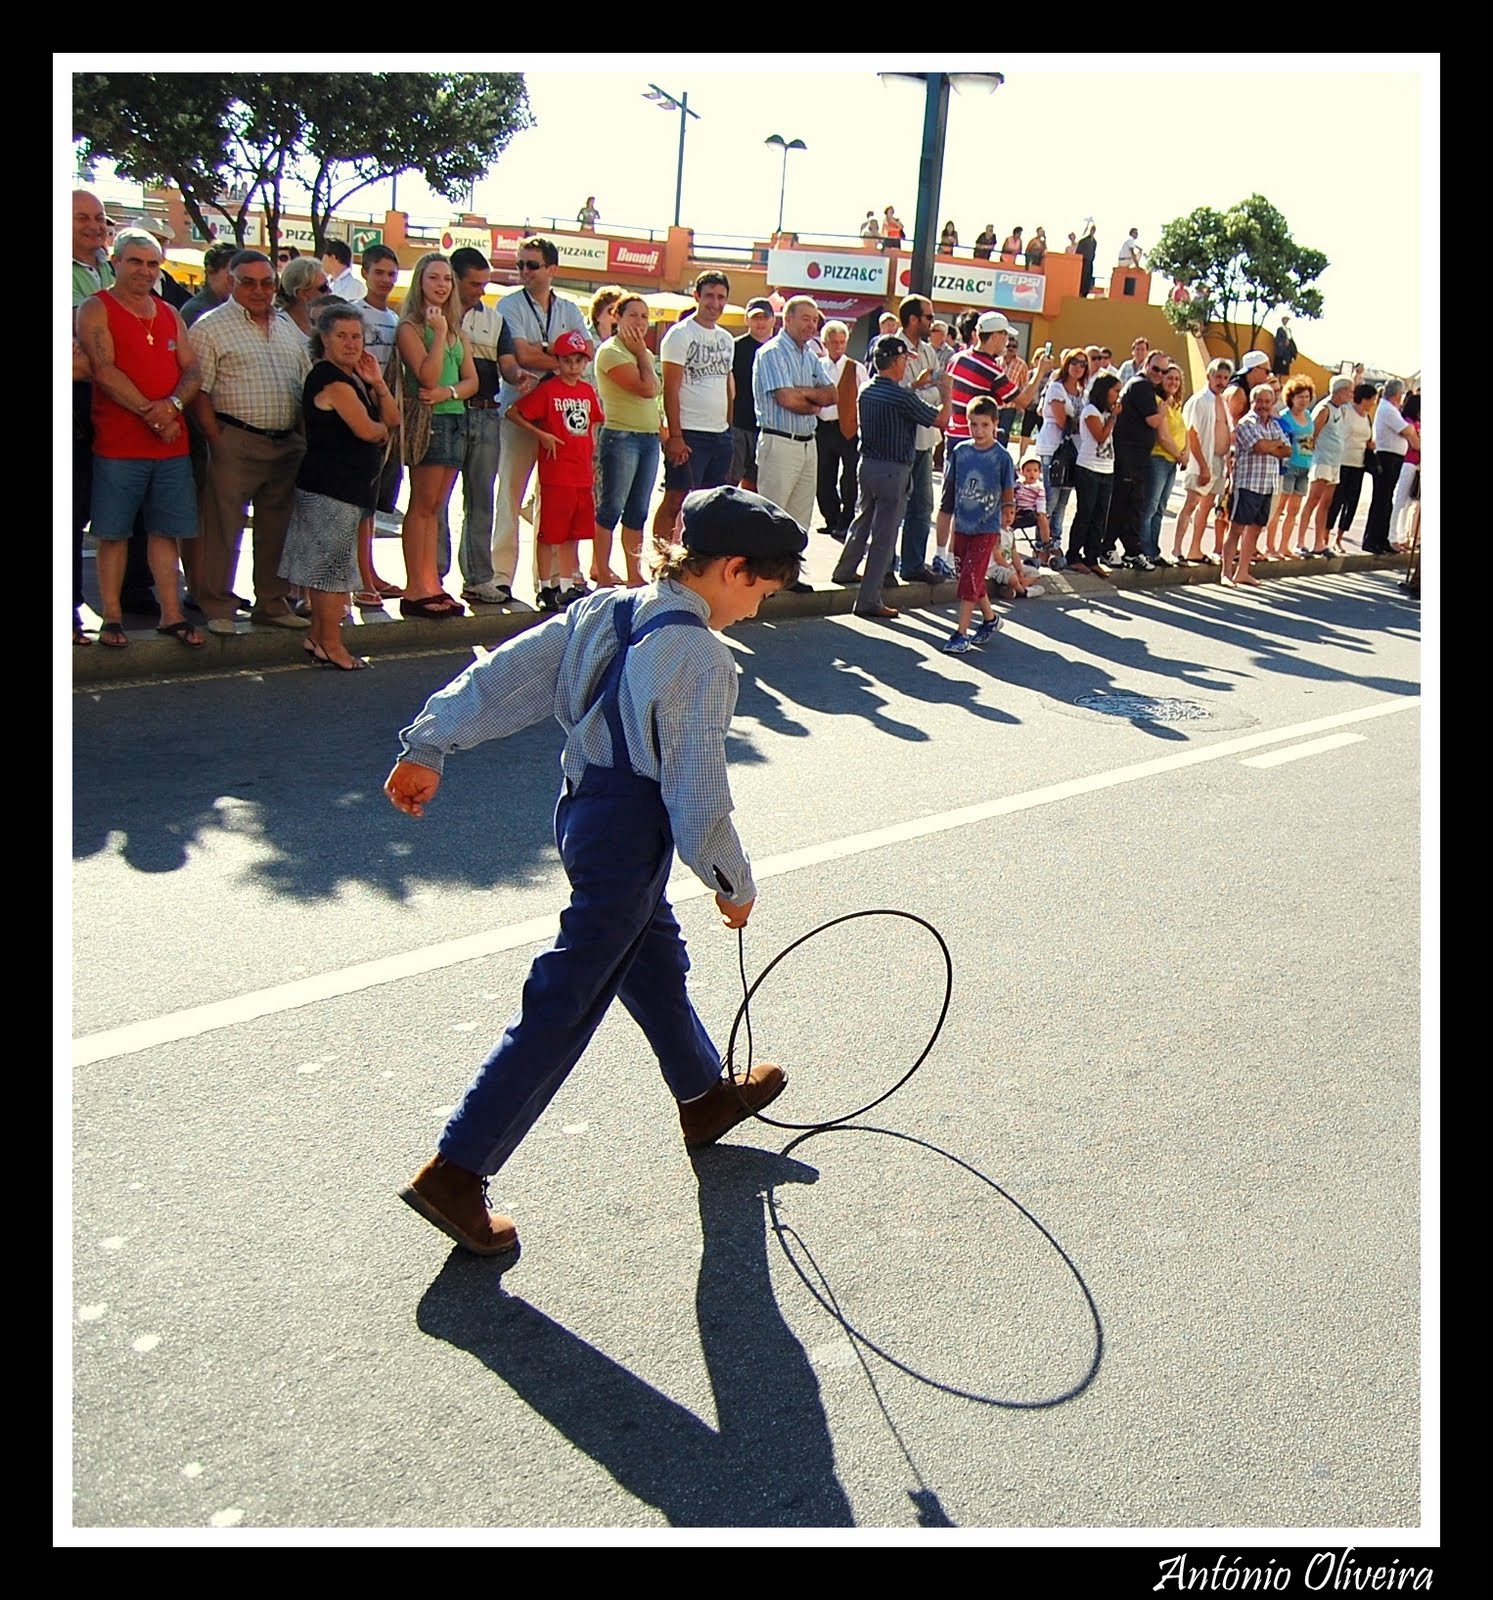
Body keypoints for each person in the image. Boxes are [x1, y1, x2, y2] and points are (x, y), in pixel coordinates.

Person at [387, 486, 804, 1260]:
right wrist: (731, 882)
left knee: (649, 956)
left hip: (582, 812)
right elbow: (695, 786)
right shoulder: (701, 657)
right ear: (734, 569)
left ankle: (702, 1095)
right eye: (763, 591)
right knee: (567, 996)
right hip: (632, 825)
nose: (758, 609)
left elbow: (503, 677)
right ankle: (458, 1168)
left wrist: (428, 744)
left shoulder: (605, 608)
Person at [75, 227, 204, 650]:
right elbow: (103, 369)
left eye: (152, 263)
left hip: (171, 443)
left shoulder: (169, 312)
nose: (144, 271)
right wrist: (155, 414)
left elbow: (192, 370)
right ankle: (112, 617)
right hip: (119, 443)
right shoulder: (97, 308)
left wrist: (173, 408)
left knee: (166, 532)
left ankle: (172, 614)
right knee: (113, 534)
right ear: (115, 262)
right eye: (135, 261)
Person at [187, 249, 313, 633]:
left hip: (284, 443)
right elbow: (198, 391)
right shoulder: (210, 327)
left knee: (277, 529)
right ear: (231, 282)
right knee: (222, 528)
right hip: (234, 440)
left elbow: (306, 381)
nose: (259, 290)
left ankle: (272, 603)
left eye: (267, 282)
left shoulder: (289, 327)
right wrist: (216, 439)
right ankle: (217, 607)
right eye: (249, 282)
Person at [278, 302, 400, 669]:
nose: (351, 344)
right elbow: (370, 429)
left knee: (327, 569)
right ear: (324, 339)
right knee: (331, 573)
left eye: (357, 337)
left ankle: (319, 638)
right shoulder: (330, 379)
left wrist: (377, 383)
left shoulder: (355, 378)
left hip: (345, 488)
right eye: (342, 336)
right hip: (330, 487)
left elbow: (393, 417)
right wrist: (379, 431)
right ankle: (332, 644)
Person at [492, 237, 592, 606]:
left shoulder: (568, 307)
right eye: (520, 265)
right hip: (522, 410)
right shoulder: (509, 304)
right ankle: (501, 576)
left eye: (532, 265)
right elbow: (521, 353)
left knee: (551, 501)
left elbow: (587, 353)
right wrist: (561, 353)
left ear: (552, 269)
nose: (524, 272)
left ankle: (547, 581)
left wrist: (545, 353)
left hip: (562, 419)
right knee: (510, 495)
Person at [830, 334, 951, 618]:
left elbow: (900, 398)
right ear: (896, 361)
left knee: (862, 521)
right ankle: (869, 599)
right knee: (884, 535)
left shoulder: (869, 389)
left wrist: (914, 386)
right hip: (893, 468)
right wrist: (946, 393)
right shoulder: (901, 395)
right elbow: (940, 420)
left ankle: (844, 571)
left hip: (868, 463)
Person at [437, 247, 524, 606]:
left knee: (481, 500)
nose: (481, 291)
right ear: (454, 279)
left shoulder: (495, 319)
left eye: (485, 284)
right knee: (436, 501)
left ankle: (477, 579)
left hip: (487, 412)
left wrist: (519, 375)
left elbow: (507, 366)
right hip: (447, 412)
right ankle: (433, 576)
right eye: (474, 284)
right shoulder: (436, 316)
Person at [395, 251, 477, 618]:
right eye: (434, 278)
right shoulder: (411, 328)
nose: (442, 285)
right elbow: (427, 376)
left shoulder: (458, 329)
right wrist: (439, 333)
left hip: (455, 417)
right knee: (422, 505)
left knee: (437, 507)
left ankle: (432, 583)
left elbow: (471, 380)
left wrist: (450, 392)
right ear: (420, 283)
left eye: (447, 279)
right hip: (427, 422)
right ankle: (416, 587)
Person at [507, 328, 602, 612]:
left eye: (578, 361)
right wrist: (542, 435)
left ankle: (567, 583)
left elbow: (593, 424)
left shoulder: (587, 391)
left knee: (574, 534)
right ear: (557, 362)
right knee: (551, 533)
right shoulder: (548, 390)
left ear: (585, 362)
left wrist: (592, 458)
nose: (573, 367)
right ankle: (545, 585)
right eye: (567, 361)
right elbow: (514, 412)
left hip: (581, 474)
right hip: (556, 473)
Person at [655, 270, 737, 550]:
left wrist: (727, 427)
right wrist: (675, 435)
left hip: (720, 434)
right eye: (710, 296)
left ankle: (699, 556)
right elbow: (670, 388)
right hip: (689, 432)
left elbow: (728, 386)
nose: (715, 303)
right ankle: (661, 556)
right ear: (697, 297)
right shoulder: (679, 335)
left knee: (711, 502)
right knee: (676, 498)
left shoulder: (726, 339)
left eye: (721, 297)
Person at [752, 294, 837, 563]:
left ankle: (790, 574)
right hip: (780, 442)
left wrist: (803, 394)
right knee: (772, 514)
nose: (811, 325)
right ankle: (766, 575)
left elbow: (832, 395)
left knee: (800, 517)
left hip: (807, 442)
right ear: (787, 319)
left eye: (814, 320)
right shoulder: (771, 352)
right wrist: (812, 399)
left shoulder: (809, 355)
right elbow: (786, 400)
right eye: (805, 319)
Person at [351, 244, 407, 610]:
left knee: (371, 505)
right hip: (358, 409)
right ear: (365, 273)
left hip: (386, 411)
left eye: (391, 274)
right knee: (355, 504)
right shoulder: (353, 315)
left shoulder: (396, 319)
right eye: (379, 273)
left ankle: (368, 572)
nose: (385, 280)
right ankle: (358, 578)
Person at [593, 293, 661, 588]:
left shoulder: (643, 353)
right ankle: (603, 572)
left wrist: (643, 354)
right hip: (621, 437)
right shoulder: (611, 352)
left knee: (638, 511)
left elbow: (656, 391)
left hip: (649, 438)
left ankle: (634, 574)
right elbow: (647, 387)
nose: (640, 322)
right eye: (633, 315)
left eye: (645, 316)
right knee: (611, 507)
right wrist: (642, 353)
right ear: (616, 317)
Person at [938, 396, 1012, 654]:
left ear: (995, 424)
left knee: (970, 577)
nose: (978, 431)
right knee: (968, 575)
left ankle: (961, 632)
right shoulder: (961, 452)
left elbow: (1008, 489)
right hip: (963, 525)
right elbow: (949, 490)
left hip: (986, 527)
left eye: (984, 424)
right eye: (973, 425)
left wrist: (1007, 513)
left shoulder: (1001, 457)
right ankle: (991, 619)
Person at [1103, 349, 1169, 570]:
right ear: (1145, 365)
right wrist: (1162, 412)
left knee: (1134, 504)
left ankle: (1131, 550)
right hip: (1128, 456)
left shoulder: (1146, 386)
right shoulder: (1140, 385)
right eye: (1156, 369)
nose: (1159, 374)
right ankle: (1108, 547)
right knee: (1122, 503)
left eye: (1163, 371)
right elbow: (1152, 421)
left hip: (1137, 457)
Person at [1222, 381, 1290, 587]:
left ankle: (1243, 572)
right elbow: (1260, 447)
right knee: (1236, 529)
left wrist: (1270, 446)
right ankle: (1226, 573)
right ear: (1252, 402)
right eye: (1259, 400)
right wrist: (1272, 445)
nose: (1263, 405)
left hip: (1268, 485)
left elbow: (1287, 450)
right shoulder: (1246, 423)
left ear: (1273, 403)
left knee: (1255, 530)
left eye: (1267, 401)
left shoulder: (1275, 424)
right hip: (1248, 484)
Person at [1176, 358, 1234, 564]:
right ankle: (1177, 550)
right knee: (1191, 503)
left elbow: (1227, 431)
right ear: (1209, 376)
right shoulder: (1199, 400)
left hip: (1218, 462)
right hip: (1200, 463)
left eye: (1225, 378)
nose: (1221, 381)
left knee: (1207, 506)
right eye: (1218, 376)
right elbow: (1193, 434)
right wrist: (1202, 466)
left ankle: (1195, 549)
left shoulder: (1222, 402)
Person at [1065, 371, 1120, 576]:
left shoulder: (1107, 412)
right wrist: (1113, 418)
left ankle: (1092, 557)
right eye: (1115, 391)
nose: (1117, 396)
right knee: (1085, 513)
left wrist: (1112, 416)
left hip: (1107, 468)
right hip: (1088, 467)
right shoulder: (1091, 411)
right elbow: (1100, 436)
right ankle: (1073, 555)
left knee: (1100, 517)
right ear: (1105, 391)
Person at [815, 319, 864, 542]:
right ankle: (831, 518)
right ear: (825, 343)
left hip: (848, 428)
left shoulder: (856, 367)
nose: (838, 346)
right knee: (823, 477)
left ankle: (846, 519)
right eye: (834, 342)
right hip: (822, 428)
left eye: (842, 342)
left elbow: (863, 398)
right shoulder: (817, 365)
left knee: (849, 478)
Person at [1036, 348, 1089, 554]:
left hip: (1074, 449)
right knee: (1051, 498)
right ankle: (1042, 543)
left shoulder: (1082, 393)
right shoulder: (1056, 388)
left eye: (1083, 364)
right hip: (1053, 447)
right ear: (1067, 364)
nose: (1078, 367)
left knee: (1063, 500)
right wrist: (1085, 422)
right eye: (1075, 362)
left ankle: (1055, 542)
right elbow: (1062, 420)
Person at [1300, 374, 1355, 557]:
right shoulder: (1324, 409)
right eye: (1349, 391)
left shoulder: (1342, 410)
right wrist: (1309, 460)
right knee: (1312, 500)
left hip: (1334, 462)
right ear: (1341, 391)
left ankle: (1318, 543)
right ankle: (1300, 542)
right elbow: (1311, 436)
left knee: (1326, 503)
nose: (1351, 395)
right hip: (1322, 461)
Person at [1362, 379, 1417, 553]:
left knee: (1386, 501)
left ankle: (1382, 538)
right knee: (1382, 500)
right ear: (1397, 394)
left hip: (1394, 457)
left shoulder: (1391, 409)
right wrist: (1412, 432)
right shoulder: (1387, 409)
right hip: (1387, 457)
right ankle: (1373, 539)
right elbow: (1406, 430)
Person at [1264, 376, 1315, 559]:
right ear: (1292, 397)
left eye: (1307, 397)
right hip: (1289, 465)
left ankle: (1285, 545)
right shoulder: (1284, 416)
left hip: (1305, 465)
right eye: (1300, 396)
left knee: (1294, 510)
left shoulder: (1309, 416)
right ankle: (1271, 546)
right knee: (1279, 508)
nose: (1304, 401)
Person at [731, 297, 776, 494]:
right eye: (755, 317)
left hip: (766, 429)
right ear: (746, 320)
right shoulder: (734, 347)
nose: (760, 322)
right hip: (737, 427)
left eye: (764, 317)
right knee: (729, 484)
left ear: (773, 320)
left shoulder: (779, 350)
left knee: (756, 488)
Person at [1144, 363, 1188, 564]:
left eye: (1177, 379)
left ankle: (1154, 549)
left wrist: (1185, 453)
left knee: (1160, 508)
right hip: (1159, 459)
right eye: (1169, 378)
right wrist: (1180, 455)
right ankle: (1145, 550)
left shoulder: (1175, 404)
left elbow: (1183, 432)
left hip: (1172, 462)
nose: (1173, 382)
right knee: (1150, 507)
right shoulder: (1158, 403)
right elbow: (1163, 436)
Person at [1326, 383, 1377, 551]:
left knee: (1352, 502)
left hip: (1359, 463)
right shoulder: (1347, 411)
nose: (1374, 402)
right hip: (1342, 462)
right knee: (1336, 500)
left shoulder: (1367, 417)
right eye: (1372, 399)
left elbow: (1367, 437)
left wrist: (1370, 445)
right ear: (1364, 398)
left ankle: (1339, 537)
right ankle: (1325, 534)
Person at [1012, 456, 1059, 565]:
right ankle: (1006, 546)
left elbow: (1041, 501)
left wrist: (1041, 512)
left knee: (1043, 518)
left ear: (1039, 472)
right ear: (1022, 472)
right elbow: (1012, 498)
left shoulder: (1038, 487)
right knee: (1006, 519)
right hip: (1017, 511)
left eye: (1035, 471)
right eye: (1028, 471)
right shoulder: (1017, 485)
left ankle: (1046, 543)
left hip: (1031, 512)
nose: (1032, 474)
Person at [275, 256, 332, 344]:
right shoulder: (280, 328)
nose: (330, 291)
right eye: (323, 287)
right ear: (303, 293)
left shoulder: (321, 324)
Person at [1391, 391, 1422, 544]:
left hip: (1416, 464)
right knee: (1400, 500)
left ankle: (1403, 535)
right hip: (1408, 462)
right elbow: (1415, 444)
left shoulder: (1417, 422)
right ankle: (1394, 534)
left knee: (1409, 501)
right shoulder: (1407, 421)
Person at [182, 242, 237, 328]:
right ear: (210, 271)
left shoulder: (237, 307)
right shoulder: (195, 311)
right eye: (230, 272)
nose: (236, 279)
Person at [1075, 222, 1097, 297]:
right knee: (1083, 277)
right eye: (1091, 229)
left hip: (1090, 261)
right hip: (1083, 261)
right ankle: (1080, 292)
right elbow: (1078, 252)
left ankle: (1085, 293)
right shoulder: (1083, 240)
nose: (1092, 231)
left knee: (1088, 278)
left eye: (1094, 230)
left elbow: (1094, 251)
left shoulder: (1094, 241)